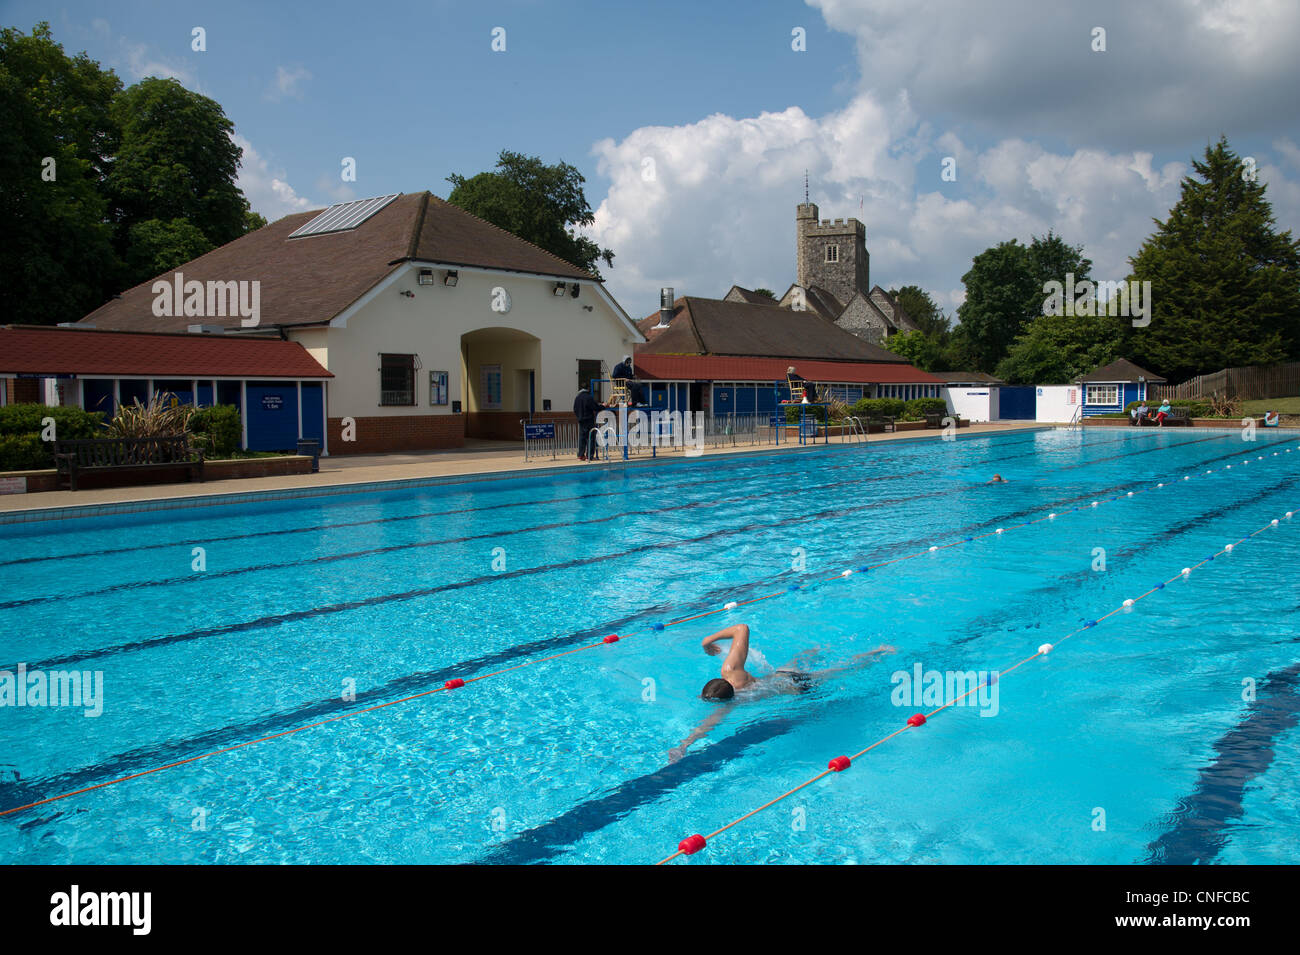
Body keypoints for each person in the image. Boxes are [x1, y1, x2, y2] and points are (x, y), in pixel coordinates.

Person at [670, 623, 894, 761]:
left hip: (796, 687)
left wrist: (683, 746)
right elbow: (742, 628)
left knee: (843, 671)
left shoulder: (732, 703)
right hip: (782, 675)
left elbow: (707, 726)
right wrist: (707, 640)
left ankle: (879, 652)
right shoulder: (731, 670)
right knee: (808, 656)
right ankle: (829, 649)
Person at [573, 386, 606, 460]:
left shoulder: (577, 398)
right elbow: (595, 407)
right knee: (591, 438)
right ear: (587, 390)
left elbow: (575, 409)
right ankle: (590, 456)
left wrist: (579, 417)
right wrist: (603, 406)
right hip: (589, 420)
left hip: (581, 420)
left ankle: (581, 455)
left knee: (582, 438)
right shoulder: (588, 397)